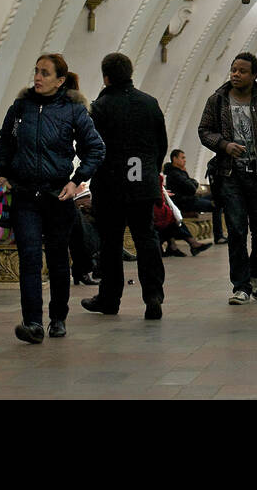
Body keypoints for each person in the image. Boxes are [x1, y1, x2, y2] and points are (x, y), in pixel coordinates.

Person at [0, 53, 105, 344]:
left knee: (57, 258)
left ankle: (58, 317)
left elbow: (95, 148)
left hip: (58, 195)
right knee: (29, 257)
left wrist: (77, 180)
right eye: (36, 71)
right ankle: (32, 322)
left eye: (45, 73)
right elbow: (6, 139)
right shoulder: (20, 108)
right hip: (25, 195)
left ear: (60, 80)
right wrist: (3, 171)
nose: (38, 78)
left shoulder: (73, 111)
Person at [81, 52, 168, 321]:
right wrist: (151, 170)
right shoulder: (150, 103)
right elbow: (161, 144)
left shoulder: (100, 107)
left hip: (111, 185)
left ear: (106, 76)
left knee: (111, 242)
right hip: (142, 182)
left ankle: (109, 299)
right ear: (130, 74)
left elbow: (89, 146)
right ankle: (153, 296)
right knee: (146, 238)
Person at [199, 52, 257, 306]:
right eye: (233, 70)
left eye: (242, 71)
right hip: (229, 175)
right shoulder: (217, 100)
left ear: (254, 75)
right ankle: (241, 286)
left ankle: (255, 273)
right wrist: (224, 145)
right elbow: (204, 130)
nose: (236, 75)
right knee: (237, 230)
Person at [164, 150, 214, 214]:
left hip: (191, 200)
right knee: (215, 206)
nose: (185, 160)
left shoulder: (180, 172)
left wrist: (190, 180)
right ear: (175, 159)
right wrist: (186, 174)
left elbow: (191, 184)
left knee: (216, 195)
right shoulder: (174, 174)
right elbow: (192, 188)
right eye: (182, 158)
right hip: (185, 204)